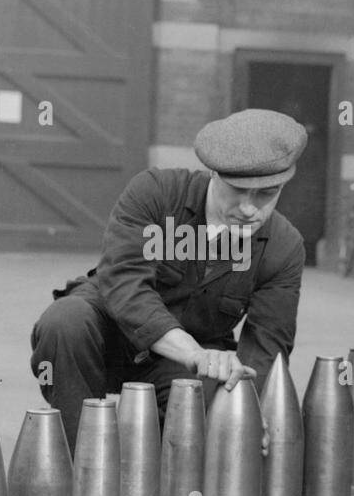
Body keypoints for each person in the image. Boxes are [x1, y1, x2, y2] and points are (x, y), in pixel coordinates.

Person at [30, 108, 308, 452]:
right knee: (65, 322)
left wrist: (250, 412)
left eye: (266, 193)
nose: (249, 209)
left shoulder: (284, 247)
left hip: (179, 369)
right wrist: (192, 351)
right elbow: (125, 283)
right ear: (214, 174)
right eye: (237, 190)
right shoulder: (155, 194)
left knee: (219, 415)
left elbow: (267, 347)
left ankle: (155, 475)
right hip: (107, 339)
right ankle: (79, 466)